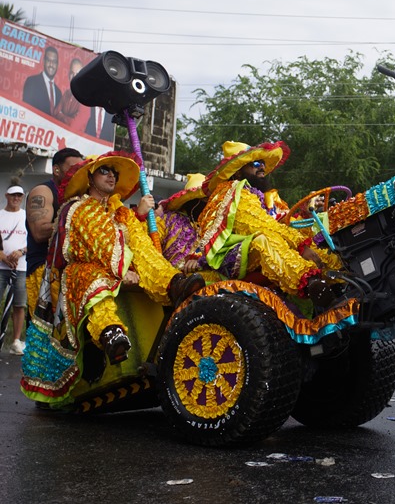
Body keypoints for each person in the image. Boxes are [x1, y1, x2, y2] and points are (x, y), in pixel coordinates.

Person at [53, 152, 205, 364]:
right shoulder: (80, 208)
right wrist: (123, 271)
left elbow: (141, 246)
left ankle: (172, 284)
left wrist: (139, 220)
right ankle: (110, 333)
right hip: (84, 271)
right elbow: (100, 247)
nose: (111, 176)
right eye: (104, 171)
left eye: (114, 172)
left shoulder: (120, 212)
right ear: (89, 178)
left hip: (117, 268)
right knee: (92, 276)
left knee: (144, 250)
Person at [197, 141, 339, 300]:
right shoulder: (233, 190)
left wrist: (305, 213)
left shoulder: (264, 196)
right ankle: (313, 285)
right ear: (237, 172)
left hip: (267, 240)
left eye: (263, 163)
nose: (262, 167)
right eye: (255, 163)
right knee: (264, 240)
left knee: (318, 248)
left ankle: (342, 280)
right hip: (232, 257)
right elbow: (260, 226)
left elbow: (286, 225)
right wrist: (300, 246)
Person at [25, 148, 84, 321]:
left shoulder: (80, 195)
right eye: (72, 167)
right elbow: (39, 232)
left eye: (80, 168)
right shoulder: (42, 192)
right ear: (56, 170)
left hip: (70, 275)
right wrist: (77, 223)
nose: (77, 172)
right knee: (41, 337)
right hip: (43, 272)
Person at [0, 184, 28, 354]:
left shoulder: (26, 216)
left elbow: (34, 241)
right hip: (1, 266)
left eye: (19, 196)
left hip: (21, 267)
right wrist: (4, 257)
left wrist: (20, 252)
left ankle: (16, 341)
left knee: (19, 305)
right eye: (13, 195)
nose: (16, 199)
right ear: (6, 196)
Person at [22, 46, 62, 116]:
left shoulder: (59, 93)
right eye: (48, 60)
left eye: (54, 62)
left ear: (57, 65)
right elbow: (25, 111)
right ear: (43, 61)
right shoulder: (32, 82)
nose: (51, 64)